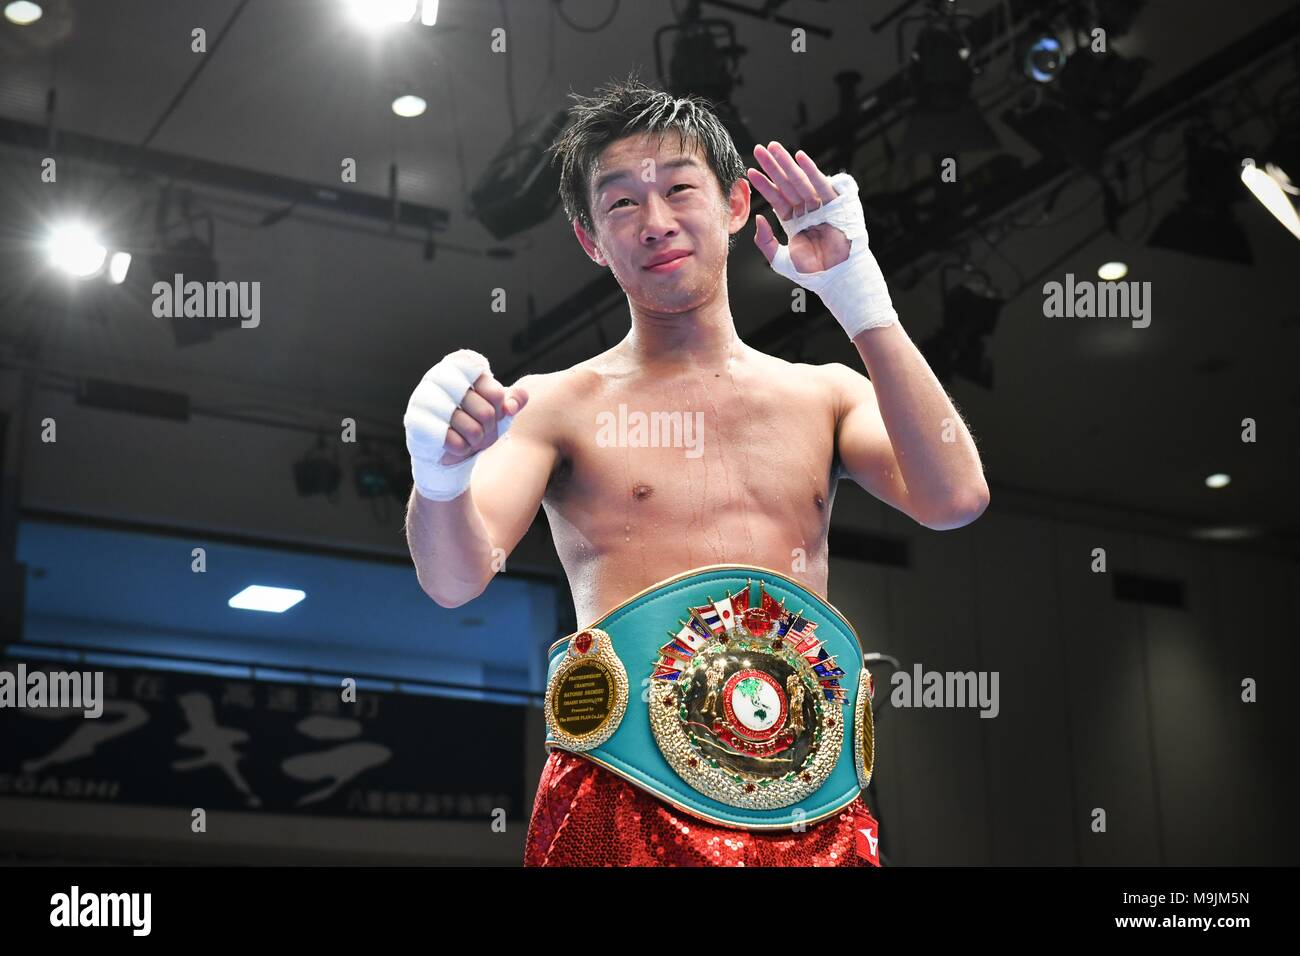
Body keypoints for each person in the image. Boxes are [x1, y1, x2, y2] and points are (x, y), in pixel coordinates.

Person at [403, 74, 989, 866]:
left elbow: (956, 497)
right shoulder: (550, 404)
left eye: (680, 188)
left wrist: (860, 299)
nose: (655, 222)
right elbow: (454, 579)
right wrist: (438, 479)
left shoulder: (825, 394)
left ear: (737, 205)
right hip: (621, 794)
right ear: (590, 239)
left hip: (809, 810)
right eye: (620, 204)